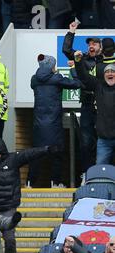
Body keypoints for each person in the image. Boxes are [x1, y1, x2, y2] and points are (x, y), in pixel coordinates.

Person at [26, 54, 81, 188]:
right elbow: (77, 83)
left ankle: (29, 182)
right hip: (54, 124)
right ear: (51, 66)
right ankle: (55, 182)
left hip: (38, 125)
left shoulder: (34, 80)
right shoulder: (56, 79)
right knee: (58, 154)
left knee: (36, 154)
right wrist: (73, 68)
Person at [62, 22, 102, 181]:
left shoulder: (106, 59)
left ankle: (104, 173)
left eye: (94, 43)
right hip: (86, 104)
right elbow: (66, 50)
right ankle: (87, 173)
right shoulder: (82, 58)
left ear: (100, 46)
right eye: (89, 44)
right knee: (86, 142)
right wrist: (71, 32)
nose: (91, 46)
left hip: (104, 106)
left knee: (104, 141)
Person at [74, 52, 115, 165]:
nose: (110, 73)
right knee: (100, 170)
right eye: (107, 72)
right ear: (103, 75)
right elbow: (83, 76)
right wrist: (78, 62)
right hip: (104, 140)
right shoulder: (98, 86)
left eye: (112, 71)